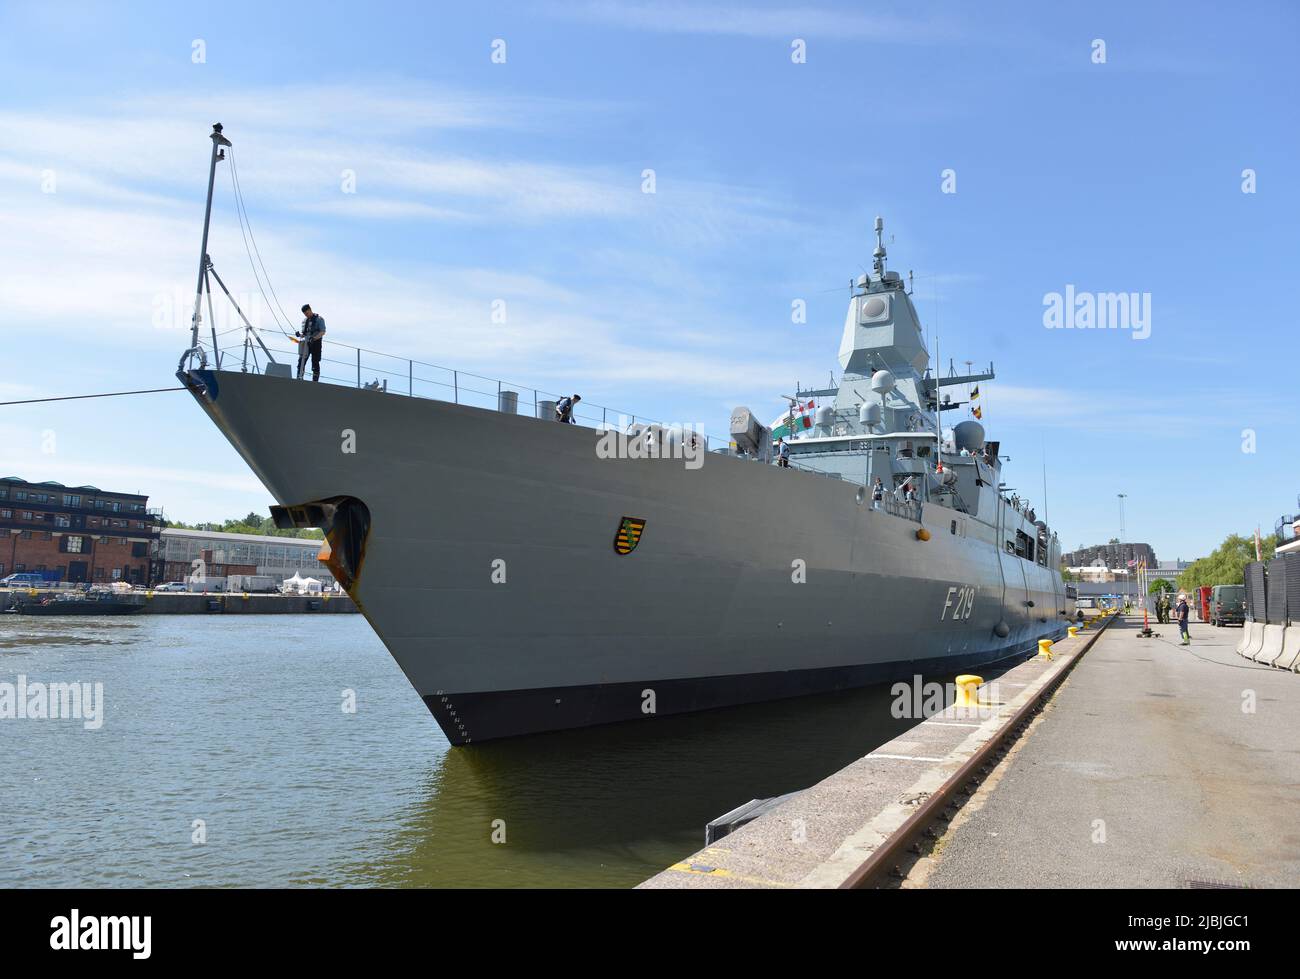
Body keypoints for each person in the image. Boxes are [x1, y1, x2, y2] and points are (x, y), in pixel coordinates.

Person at [296, 304, 327, 382]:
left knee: (315, 361)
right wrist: (299, 334)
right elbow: (304, 334)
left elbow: (323, 332)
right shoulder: (305, 321)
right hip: (306, 343)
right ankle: (299, 378)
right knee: (301, 360)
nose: (306, 315)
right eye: (305, 314)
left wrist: (314, 338)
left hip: (316, 343)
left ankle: (315, 381)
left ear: (310, 310)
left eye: (307, 313)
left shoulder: (319, 319)